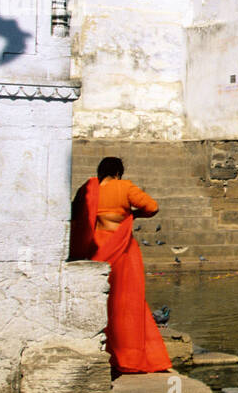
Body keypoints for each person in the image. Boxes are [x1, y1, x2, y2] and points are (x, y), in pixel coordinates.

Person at [69, 157, 172, 375]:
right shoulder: (124, 187)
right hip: (123, 248)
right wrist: (132, 214)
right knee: (128, 300)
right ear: (118, 172)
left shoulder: (88, 188)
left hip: (96, 247)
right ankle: (130, 356)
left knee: (101, 299)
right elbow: (152, 206)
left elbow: (75, 212)